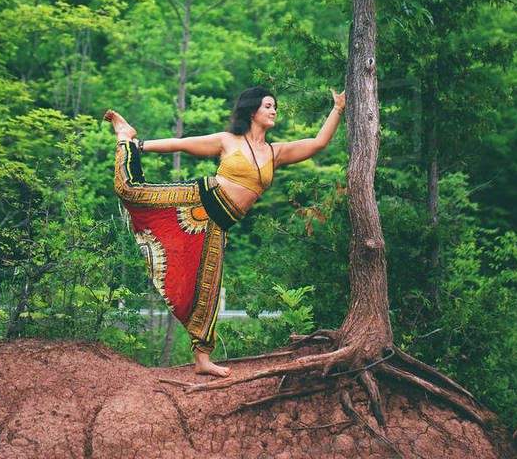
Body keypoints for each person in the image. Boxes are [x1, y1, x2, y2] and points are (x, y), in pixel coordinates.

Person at [103, 85, 345, 377]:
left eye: (275, 107)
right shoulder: (228, 141)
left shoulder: (275, 152)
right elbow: (182, 143)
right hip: (198, 199)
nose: (273, 111)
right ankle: (124, 137)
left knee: (207, 290)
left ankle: (202, 360)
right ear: (253, 110)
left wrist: (338, 108)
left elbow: (318, 143)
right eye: (268, 106)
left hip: (219, 225)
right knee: (130, 191)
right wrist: (140, 145)